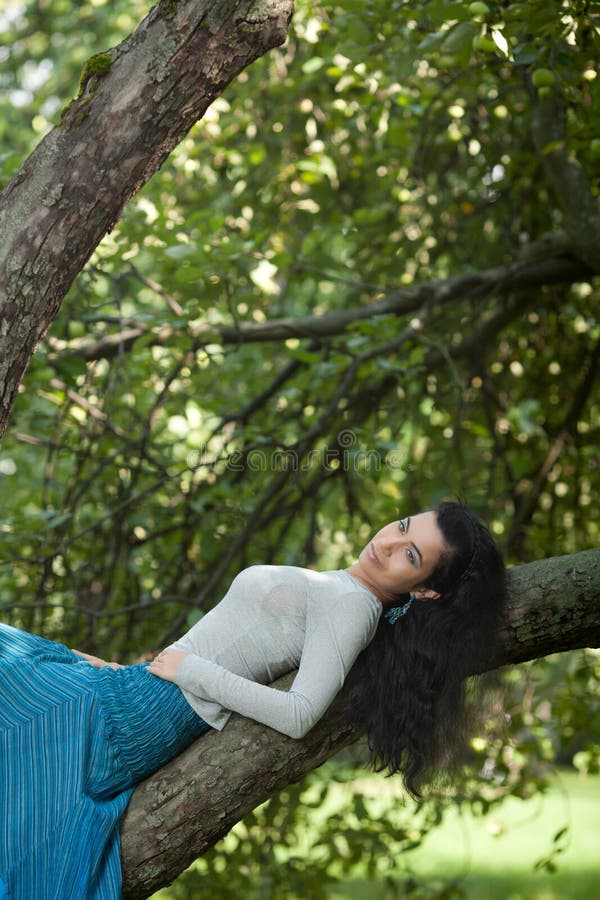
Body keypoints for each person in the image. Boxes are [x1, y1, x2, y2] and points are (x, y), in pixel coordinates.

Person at [0, 500, 505, 899]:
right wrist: (141, 668)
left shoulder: (353, 605)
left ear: (425, 593)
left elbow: (300, 714)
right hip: (131, 695)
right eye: (401, 527)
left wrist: (190, 669)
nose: (389, 544)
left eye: (411, 555)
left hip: (127, 719)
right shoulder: (341, 588)